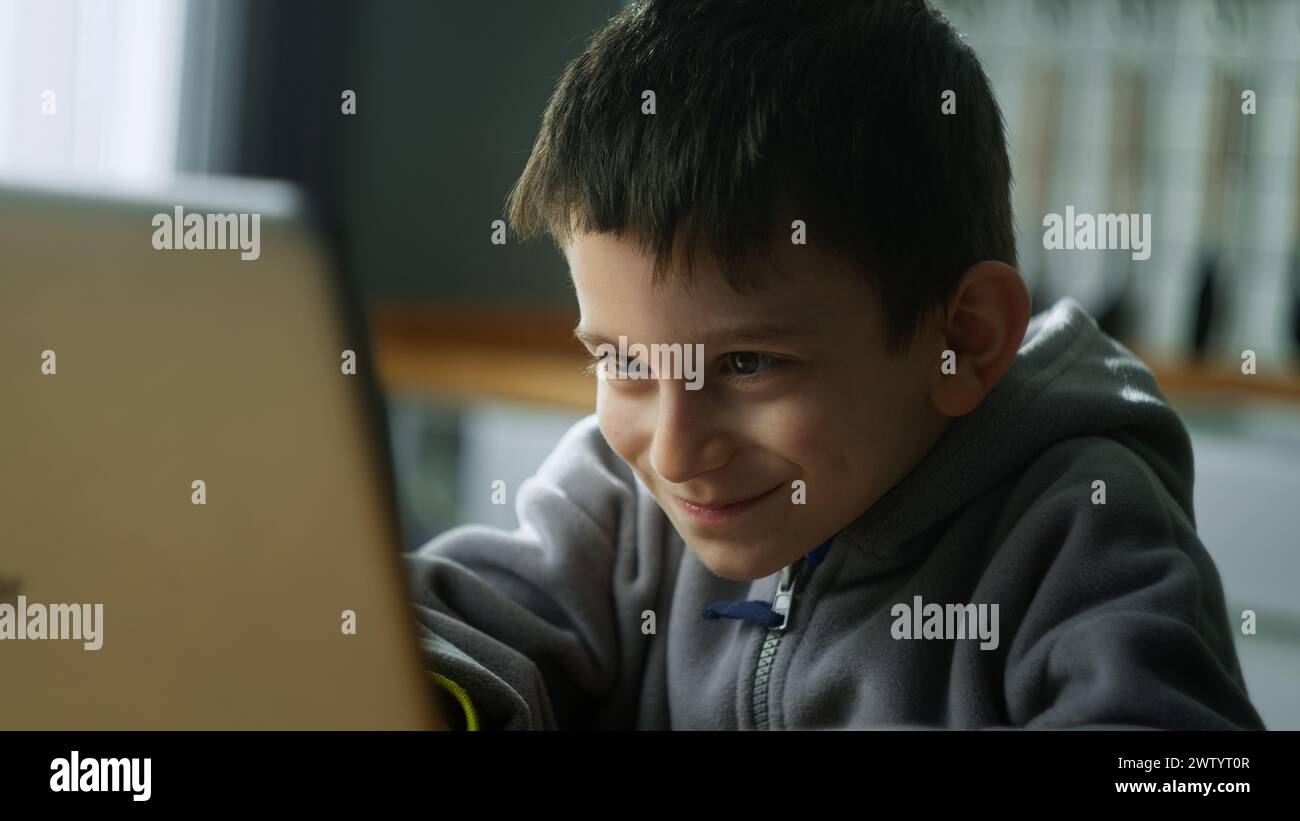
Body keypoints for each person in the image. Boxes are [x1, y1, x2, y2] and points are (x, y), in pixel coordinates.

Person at [408, 0, 1263, 730]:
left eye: (747, 362)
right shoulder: (618, 499)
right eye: (625, 360)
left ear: (962, 339)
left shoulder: (1079, 533)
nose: (674, 450)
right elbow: (440, 630)